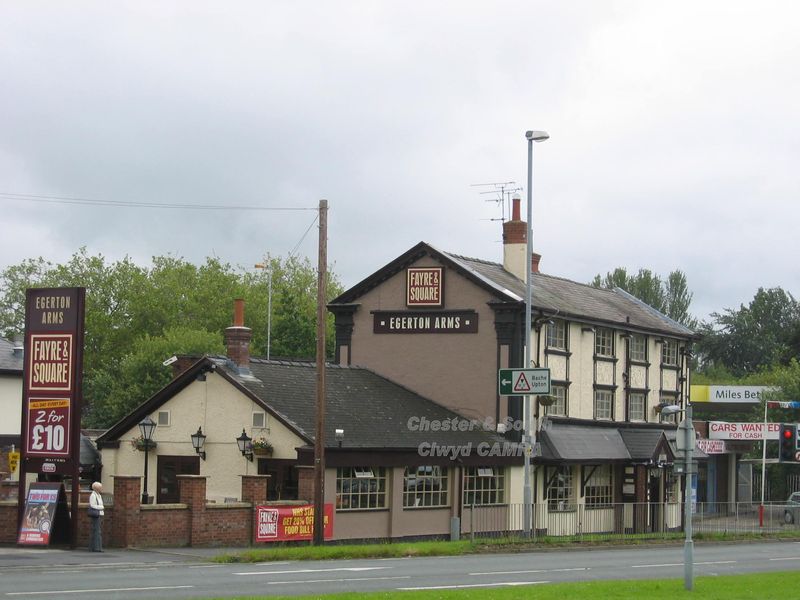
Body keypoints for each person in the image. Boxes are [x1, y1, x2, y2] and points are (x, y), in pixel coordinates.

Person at [88, 481, 105, 552]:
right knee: (97, 531)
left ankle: (95, 547)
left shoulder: (99, 495)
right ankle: (96, 548)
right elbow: (92, 505)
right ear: (96, 488)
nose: (101, 488)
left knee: (97, 531)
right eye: (100, 487)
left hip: (99, 514)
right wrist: (101, 507)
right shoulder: (93, 495)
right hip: (96, 515)